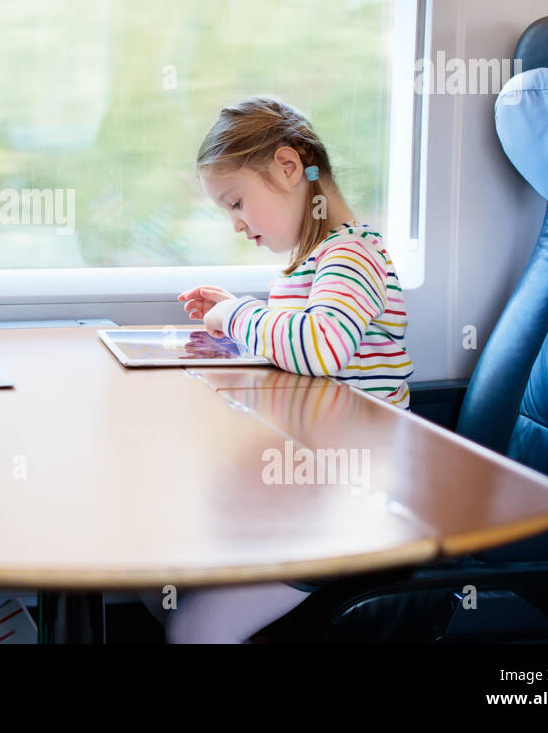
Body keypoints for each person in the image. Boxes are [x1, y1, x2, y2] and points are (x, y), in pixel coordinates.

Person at [143, 96, 415, 643]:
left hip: (345, 503)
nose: (238, 226)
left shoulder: (353, 255)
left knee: (194, 631)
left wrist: (238, 314)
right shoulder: (311, 265)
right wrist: (242, 312)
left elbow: (321, 346)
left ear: (289, 168)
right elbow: (298, 342)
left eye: (237, 203)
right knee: (153, 571)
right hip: (303, 487)